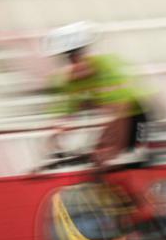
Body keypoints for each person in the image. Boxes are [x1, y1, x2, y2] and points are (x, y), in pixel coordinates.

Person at [43, 22, 158, 224]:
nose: (75, 63)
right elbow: (64, 116)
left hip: (137, 113)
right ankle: (122, 210)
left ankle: (148, 208)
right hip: (116, 118)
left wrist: (112, 149)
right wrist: (53, 144)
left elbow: (121, 112)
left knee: (117, 160)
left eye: (79, 56)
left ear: (87, 53)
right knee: (98, 162)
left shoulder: (108, 66)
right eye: (69, 59)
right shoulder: (72, 80)